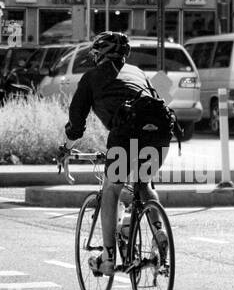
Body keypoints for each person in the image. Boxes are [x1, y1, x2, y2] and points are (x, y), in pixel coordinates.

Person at [63, 31, 168, 276]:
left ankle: (108, 257)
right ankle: (159, 231)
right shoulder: (139, 73)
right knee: (143, 183)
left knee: (112, 188)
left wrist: (66, 148)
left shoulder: (91, 78)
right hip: (160, 133)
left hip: (126, 134)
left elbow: (76, 124)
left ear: (100, 55)